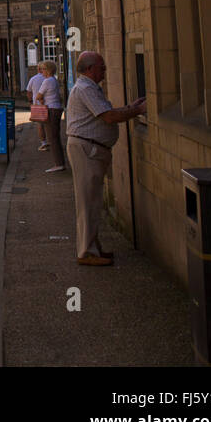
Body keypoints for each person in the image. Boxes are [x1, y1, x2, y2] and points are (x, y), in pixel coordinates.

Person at [65, 51, 146, 266]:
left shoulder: (89, 88)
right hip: (86, 150)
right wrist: (137, 110)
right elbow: (108, 116)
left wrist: (131, 108)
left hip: (90, 150)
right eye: (101, 67)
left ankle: (92, 248)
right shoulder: (85, 89)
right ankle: (86, 252)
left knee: (92, 201)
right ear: (90, 69)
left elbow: (107, 112)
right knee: (87, 202)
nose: (104, 71)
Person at [37, 60, 65, 172]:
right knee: (55, 137)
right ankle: (59, 162)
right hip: (56, 108)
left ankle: (59, 164)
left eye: (43, 69)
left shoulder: (47, 81)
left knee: (52, 138)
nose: (41, 71)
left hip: (51, 110)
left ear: (48, 70)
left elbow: (38, 96)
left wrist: (42, 101)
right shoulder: (54, 80)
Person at [26, 68, 45, 146]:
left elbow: (28, 91)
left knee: (40, 124)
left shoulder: (33, 79)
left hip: (37, 104)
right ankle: (50, 141)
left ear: (38, 69)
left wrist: (30, 102)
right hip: (48, 104)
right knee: (48, 124)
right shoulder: (48, 78)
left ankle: (43, 142)